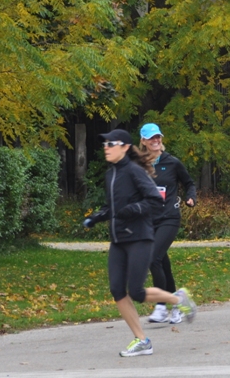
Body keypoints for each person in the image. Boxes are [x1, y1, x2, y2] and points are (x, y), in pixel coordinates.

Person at [83, 129, 196, 357]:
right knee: (117, 290)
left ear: (124, 146)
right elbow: (113, 207)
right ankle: (142, 340)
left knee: (136, 291)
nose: (106, 147)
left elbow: (154, 201)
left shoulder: (135, 171)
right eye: (104, 144)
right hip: (118, 240)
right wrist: (97, 216)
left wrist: (131, 210)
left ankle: (178, 299)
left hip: (139, 237)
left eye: (111, 143)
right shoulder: (110, 174)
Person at [139, 123, 198, 325]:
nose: (156, 141)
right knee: (162, 262)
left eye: (158, 137)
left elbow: (189, 183)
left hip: (169, 218)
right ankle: (178, 304)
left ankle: (161, 306)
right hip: (148, 220)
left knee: (152, 258)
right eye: (151, 138)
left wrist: (191, 198)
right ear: (144, 141)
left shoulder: (172, 162)